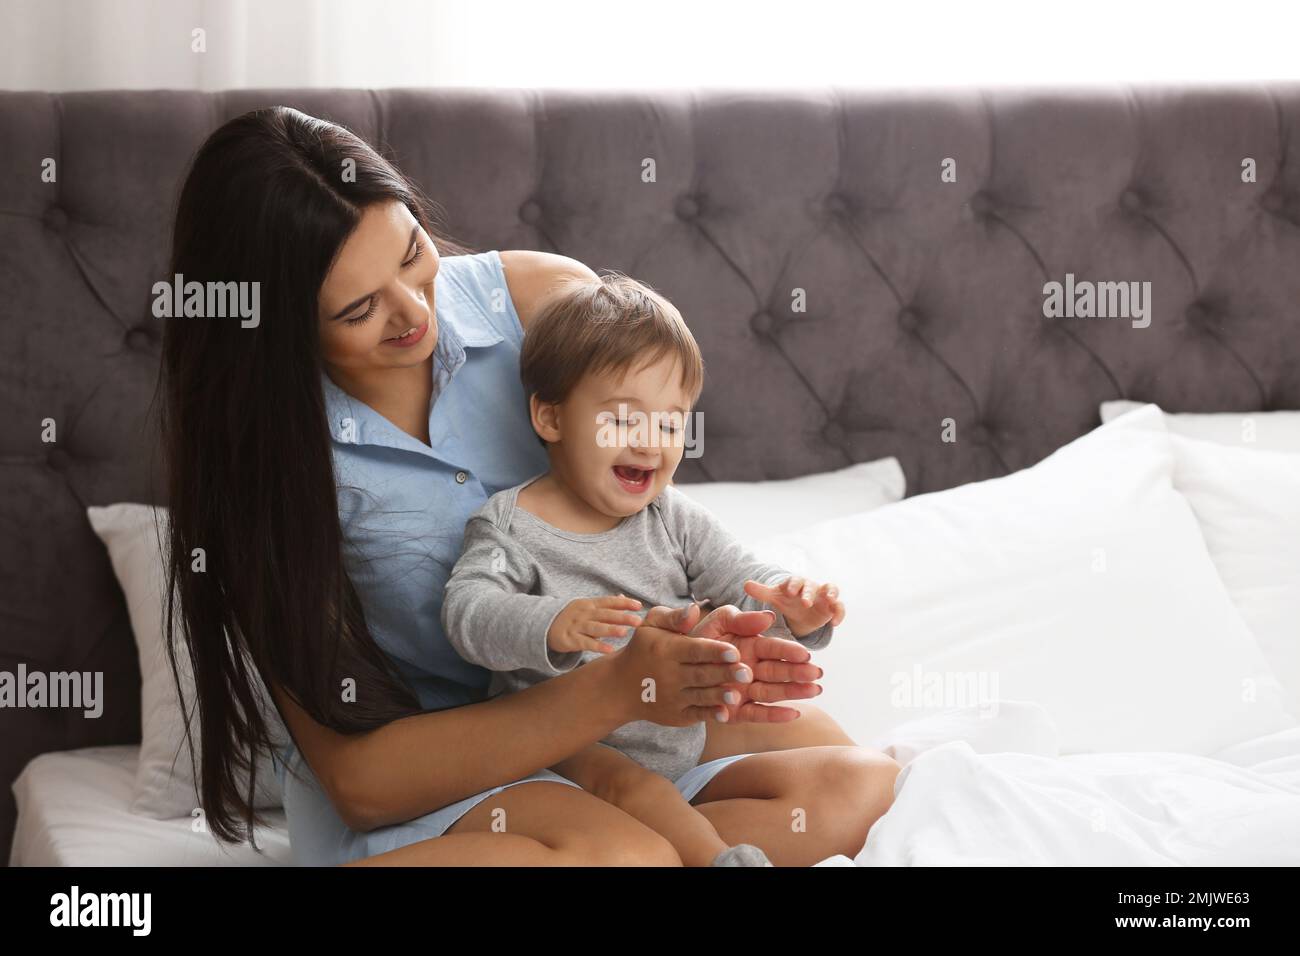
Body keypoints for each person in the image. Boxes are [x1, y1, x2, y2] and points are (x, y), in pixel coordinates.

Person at [158, 105, 900, 866]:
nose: (417, 313)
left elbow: (644, 521)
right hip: (440, 774)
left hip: (619, 727)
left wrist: (710, 640)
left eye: (413, 253)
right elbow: (363, 781)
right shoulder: (269, 461)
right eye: (358, 308)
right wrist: (612, 691)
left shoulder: (541, 302)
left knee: (860, 788)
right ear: (280, 328)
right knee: (624, 857)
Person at [442, 274, 853, 866]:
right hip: (567, 743)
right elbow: (465, 612)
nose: (650, 442)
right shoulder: (510, 525)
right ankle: (718, 858)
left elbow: (744, 581)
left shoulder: (671, 516)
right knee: (633, 786)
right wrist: (551, 621)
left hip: (673, 726)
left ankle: (892, 794)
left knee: (815, 732)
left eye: (669, 423)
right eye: (622, 418)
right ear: (550, 417)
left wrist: (794, 606)